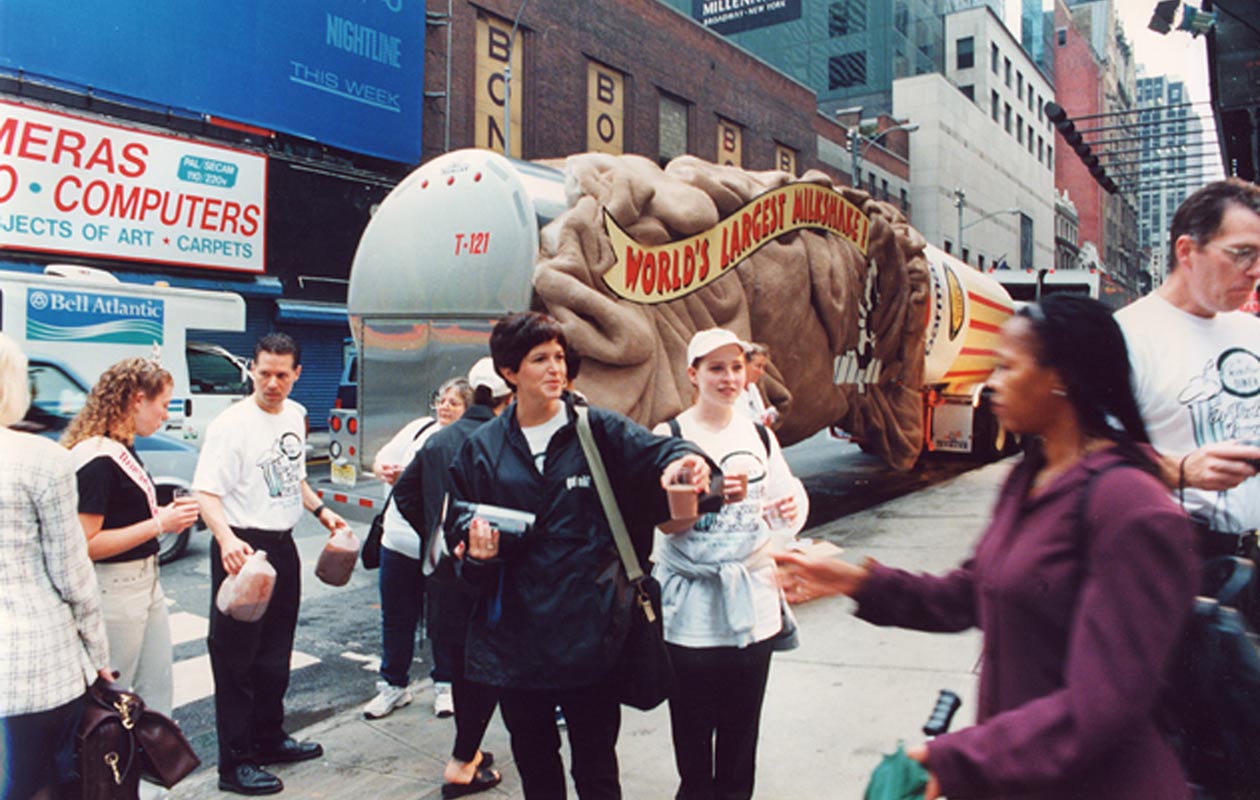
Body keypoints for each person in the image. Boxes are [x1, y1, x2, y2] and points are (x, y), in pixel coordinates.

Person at [775, 296, 1198, 799]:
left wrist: (952, 761)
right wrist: (854, 579)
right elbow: (972, 593)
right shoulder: (1031, 477)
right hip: (1020, 778)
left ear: (1061, 378)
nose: (990, 384)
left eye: (1007, 367)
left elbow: (1100, 706)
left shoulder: (1132, 507)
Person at [448, 311, 713, 800]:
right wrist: (478, 557)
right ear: (509, 372)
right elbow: (458, 541)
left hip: (591, 637)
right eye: (540, 359)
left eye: (560, 358)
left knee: (596, 773)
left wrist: (686, 459)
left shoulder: (598, 431)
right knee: (537, 772)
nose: (556, 369)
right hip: (515, 643)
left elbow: (658, 453)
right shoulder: (479, 451)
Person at [653, 328, 808, 800]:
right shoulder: (671, 435)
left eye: (736, 367)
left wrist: (789, 512)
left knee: (742, 734)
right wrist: (710, 497)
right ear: (692, 374)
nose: (728, 378)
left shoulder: (759, 433)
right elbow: (664, 524)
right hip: (692, 609)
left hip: (752, 604)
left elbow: (788, 497)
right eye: (716, 368)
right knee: (693, 732)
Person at [193, 332, 348, 796]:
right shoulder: (231, 424)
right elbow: (206, 492)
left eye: (283, 374)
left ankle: (269, 737)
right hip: (243, 551)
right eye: (264, 373)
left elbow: (292, 477)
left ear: (297, 374)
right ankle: (234, 764)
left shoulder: (297, 415)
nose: (273, 383)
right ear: (252, 371)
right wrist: (225, 540)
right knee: (235, 661)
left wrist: (321, 510)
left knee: (275, 656)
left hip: (283, 546)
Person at [1115, 178, 1260, 565]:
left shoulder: (1252, 332)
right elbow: (1085, 461)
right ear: (1187, 250)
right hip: (1169, 558)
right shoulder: (1125, 336)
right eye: (1242, 254)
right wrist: (1178, 470)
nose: (1255, 271)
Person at [394, 357, 513, 798]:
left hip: (443, 573)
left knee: (462, 668)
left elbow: (404, 494)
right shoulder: (502, 439)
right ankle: (463, 761)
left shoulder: (439, 440)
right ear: (507, 396)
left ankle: (471, 749)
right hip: (490, 576)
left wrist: (434, 530)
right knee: (486, 668)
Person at [0, 332, 112, 800]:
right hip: (35, 666)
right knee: (44, 783)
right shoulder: (40, 459)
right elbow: (73, 576)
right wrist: (100, 658)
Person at [62, 358, 201, 722]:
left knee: (156, 695)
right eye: (164, 404)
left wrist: (163, 517)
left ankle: (148, 775)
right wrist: (161, 523)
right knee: (113, 702)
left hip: (145, 584)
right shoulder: (97, 459)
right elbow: (86, 544)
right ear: (137, 400)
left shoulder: (122, 446)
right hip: (115, 591)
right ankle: (111, 777)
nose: (166, 414)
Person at [363, 377, 472, 721]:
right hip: (396, 541)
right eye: (441, 400)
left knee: (442, 619)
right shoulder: (418, 429)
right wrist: (384, 469)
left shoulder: (467, 442)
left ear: (468, 408)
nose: (444, 407)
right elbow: (380, 458)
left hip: (437, 547)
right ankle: (393, 685)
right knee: (396, 618)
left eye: (454, 402)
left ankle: (444, 684)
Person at [736, 342, 778, 427]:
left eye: (763, 367)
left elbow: (761, 416)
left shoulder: (752, 388)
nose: (761, 372)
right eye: (758, 366)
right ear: (744, 364)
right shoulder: (733, 390)